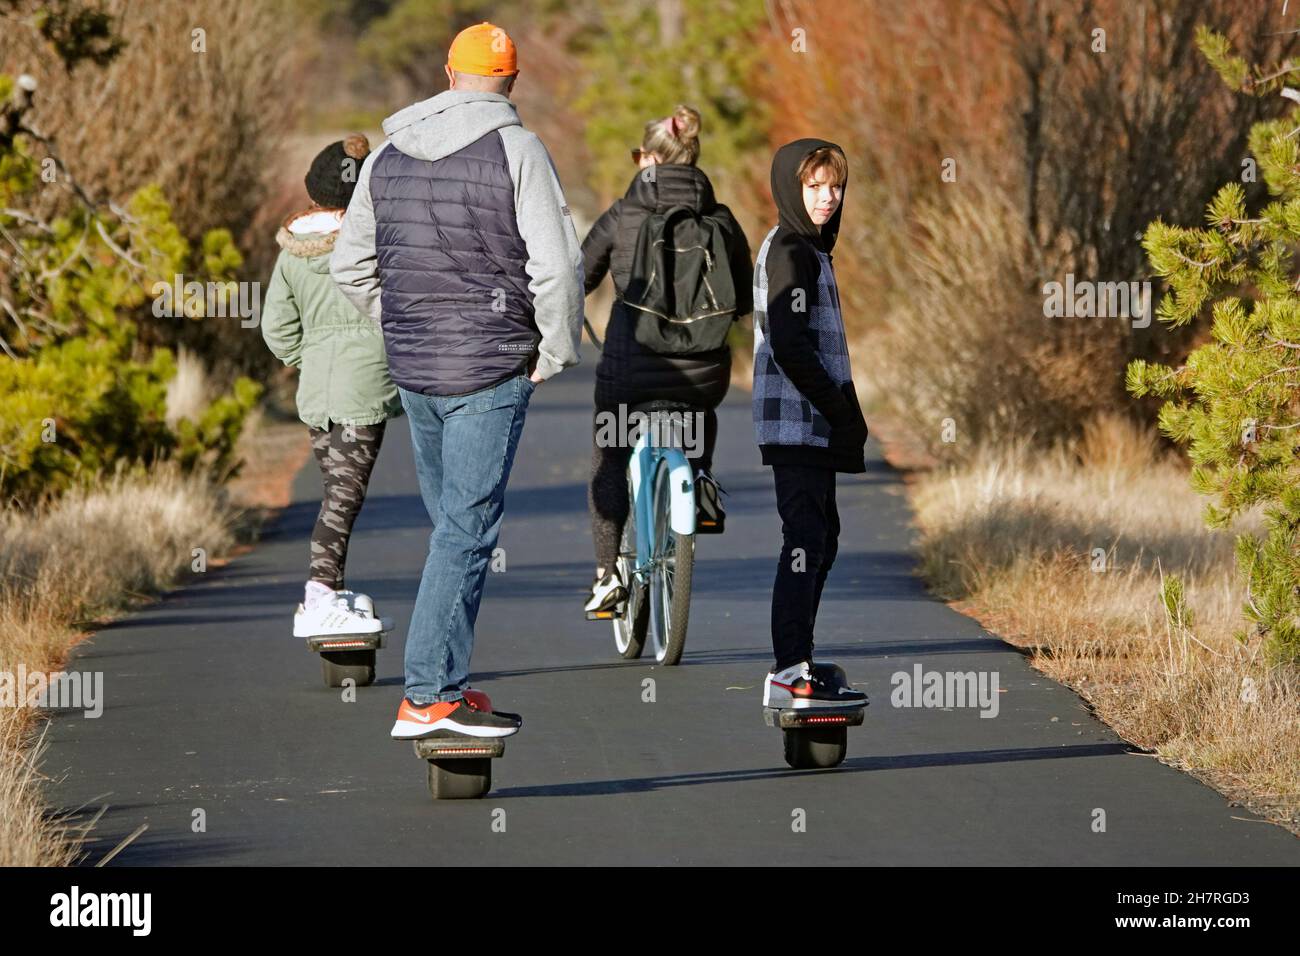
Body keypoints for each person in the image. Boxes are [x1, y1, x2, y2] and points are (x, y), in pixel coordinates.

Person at [330, 21, 584, 740]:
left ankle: (449, 679)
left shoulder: (384, 156)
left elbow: (347, 267)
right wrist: (556, 347)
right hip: (489, 366)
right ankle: (427, 693)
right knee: (467, 533)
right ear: (513, 81)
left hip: (416, 370)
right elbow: (557, 266)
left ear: (449, 73)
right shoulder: (518, 148)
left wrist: (400, 319)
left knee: (452, 528)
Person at [579, 104, 752, 617]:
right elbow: (741, 297)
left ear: (651, 158)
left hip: (629, 370)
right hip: (704, 374)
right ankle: (699, 479)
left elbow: (576, 278)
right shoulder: (721, 219)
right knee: (698, 414)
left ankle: (608, 575)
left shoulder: (622, 215)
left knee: (610, 452)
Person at [261, 134, 402, 641]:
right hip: (364, 391)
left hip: (315, 394)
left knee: (336, 491)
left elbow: (276, 330)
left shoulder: (293, 253)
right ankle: (320, 595)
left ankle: (332, 592)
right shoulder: (376, 245)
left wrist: (311, 360)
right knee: (344, 498)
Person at [751, 138, 869, 709]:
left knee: (821, 537)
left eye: (835, 186)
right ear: (789, 188)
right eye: (814, 187)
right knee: (804, 539)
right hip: (796, 422)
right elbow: (790, 344)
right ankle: (788, 669)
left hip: (808, 422)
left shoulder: (809, 248)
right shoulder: (792, 251)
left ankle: (798, 659)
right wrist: (841, 408)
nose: (826, 198)